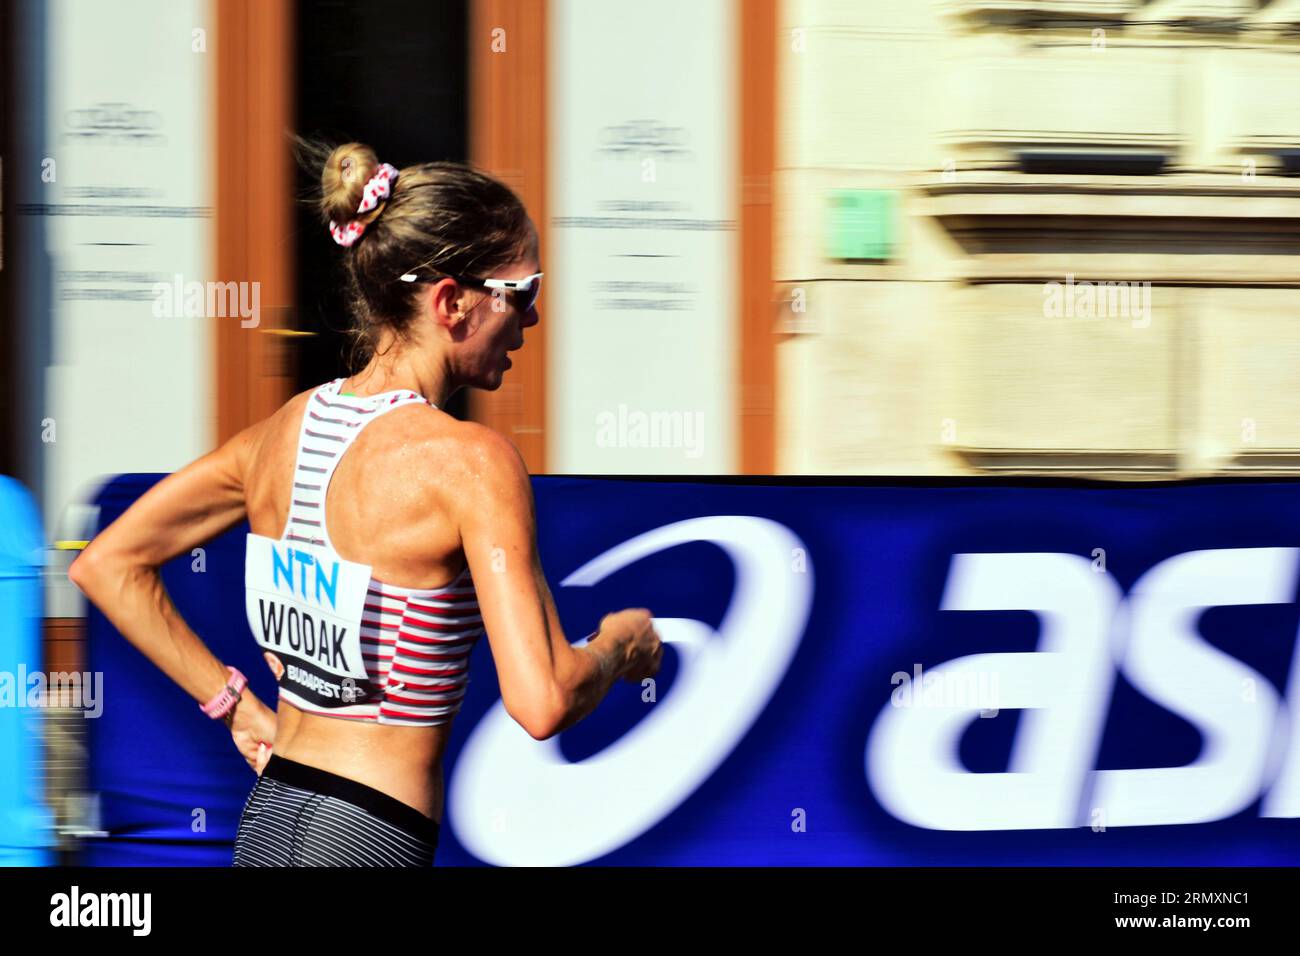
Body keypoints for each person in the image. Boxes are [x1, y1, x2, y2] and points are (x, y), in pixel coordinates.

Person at [68, 142, 664, 866]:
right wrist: (618, 645)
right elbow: (541, 701)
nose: (533, 322)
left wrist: (234, 705)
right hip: (370, 835)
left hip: (269, 818)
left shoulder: (278, 435)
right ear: (452, 302)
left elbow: (107, 564)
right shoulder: (471, 463)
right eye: (524, 294)